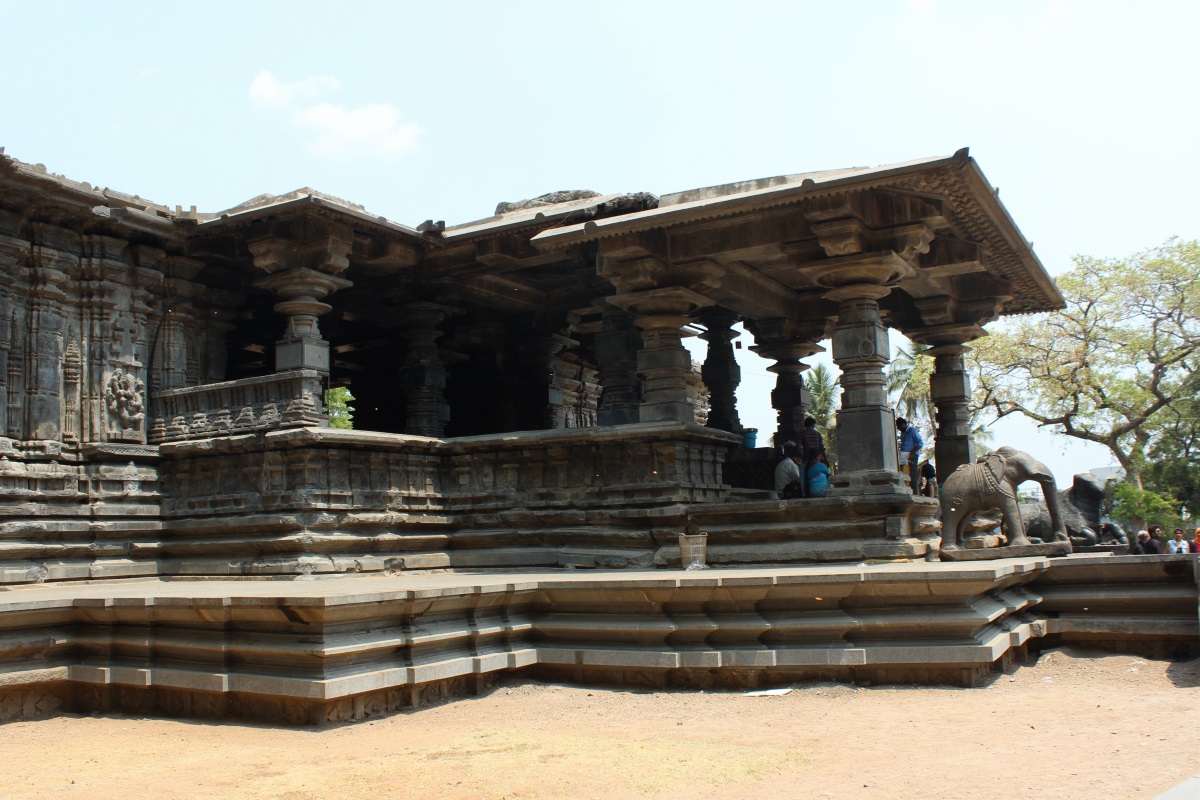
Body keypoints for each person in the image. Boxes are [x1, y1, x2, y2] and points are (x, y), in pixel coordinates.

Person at [895, 418, 924, 492]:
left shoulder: (912, 431)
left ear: (904, 424)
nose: (898, 428)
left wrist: (912, 453)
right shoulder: (903, 433)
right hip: (904, 455)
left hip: (912, 455)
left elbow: (920, 443)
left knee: (912, 474)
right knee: (904, 472)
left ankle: (914, 492)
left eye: (899, 426)